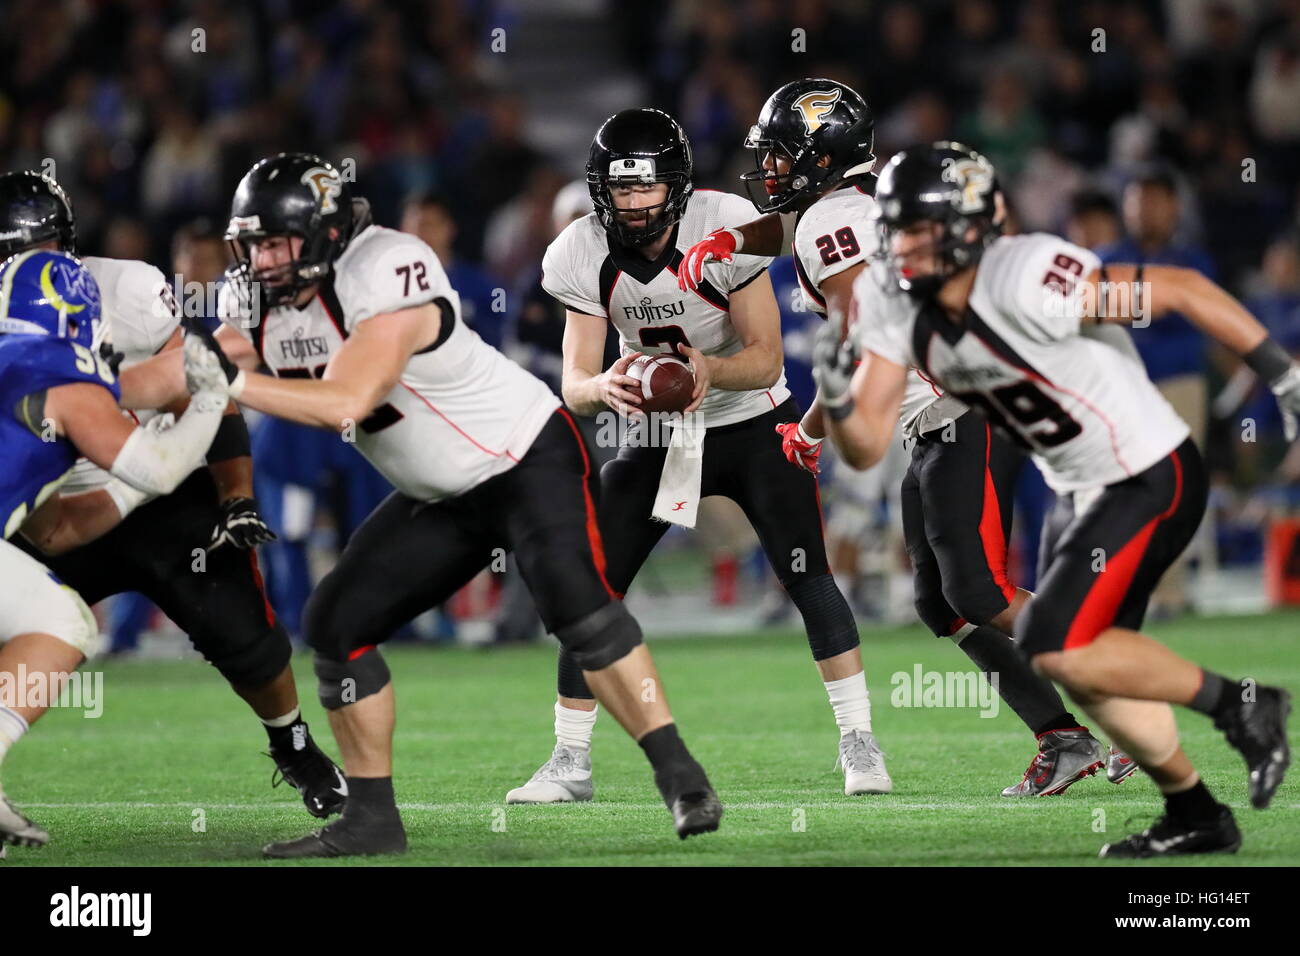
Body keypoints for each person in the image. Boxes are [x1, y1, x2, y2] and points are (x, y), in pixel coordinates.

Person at [122, 152, 722, 856]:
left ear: (325, 233)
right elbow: (180, 374)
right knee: (335, 622)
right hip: (440, 493)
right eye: (252, 247)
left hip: (523, 456)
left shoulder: (388, 266)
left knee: (578, 607)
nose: (263, 262)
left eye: (278, 243)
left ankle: (682, 777)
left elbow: (350, 398)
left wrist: (227, 382)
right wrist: (80, 387)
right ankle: (372, 818)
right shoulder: (253, 301)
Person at [816, 141, 1292, 857]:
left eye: (920, 228)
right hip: (1085, 487)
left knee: (1053, 642)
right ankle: (1196, 814)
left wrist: (1282, 378)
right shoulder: (890, 299)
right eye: (895, 228)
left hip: (1147, 468)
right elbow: (867, 440)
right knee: (1095, 672)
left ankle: (1244, 706)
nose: (903, 247)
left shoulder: (1030, 275)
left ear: (969, 225)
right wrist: (835, 399)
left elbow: (1183, 292)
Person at [679, 80, 1117, 795]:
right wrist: (731, 239)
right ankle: (1062, 737)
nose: (771, 172)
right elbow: (797, 233)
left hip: (963, 405)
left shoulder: (832, 223)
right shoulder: (857, 199)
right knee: (941, 601)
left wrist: (813, 427)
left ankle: (1119, 686)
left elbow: (863, 335)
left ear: (822, 159)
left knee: (979, 589)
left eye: (785, 157)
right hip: (956, 403)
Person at [507, 106, 890, 806]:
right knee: (590, 588)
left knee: (808, 576)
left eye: (645, 187)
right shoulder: (578, 251)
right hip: (654, 432)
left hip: (750, 417)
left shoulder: (724, 223)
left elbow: (767, 357)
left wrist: (708, 374)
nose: (632, 203)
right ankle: (569, 759)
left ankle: (859, 741)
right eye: (619, 190)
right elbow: (574, 383)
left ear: (677, 186)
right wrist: (607, 385)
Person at [0, 171, 344, 818]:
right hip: (52, 502)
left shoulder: (124, 291)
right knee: (35, 633)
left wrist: (236, 492)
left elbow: (199, 382)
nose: (24, 269)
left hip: (156, 486)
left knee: (247, 638)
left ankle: (293, 744)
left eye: (37, 250)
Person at [0, 250, 231, 847]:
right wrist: (207, 401)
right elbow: (159, 466)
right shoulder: (57, 375)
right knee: (63, 620)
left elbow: (54, 531)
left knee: (46, 611)